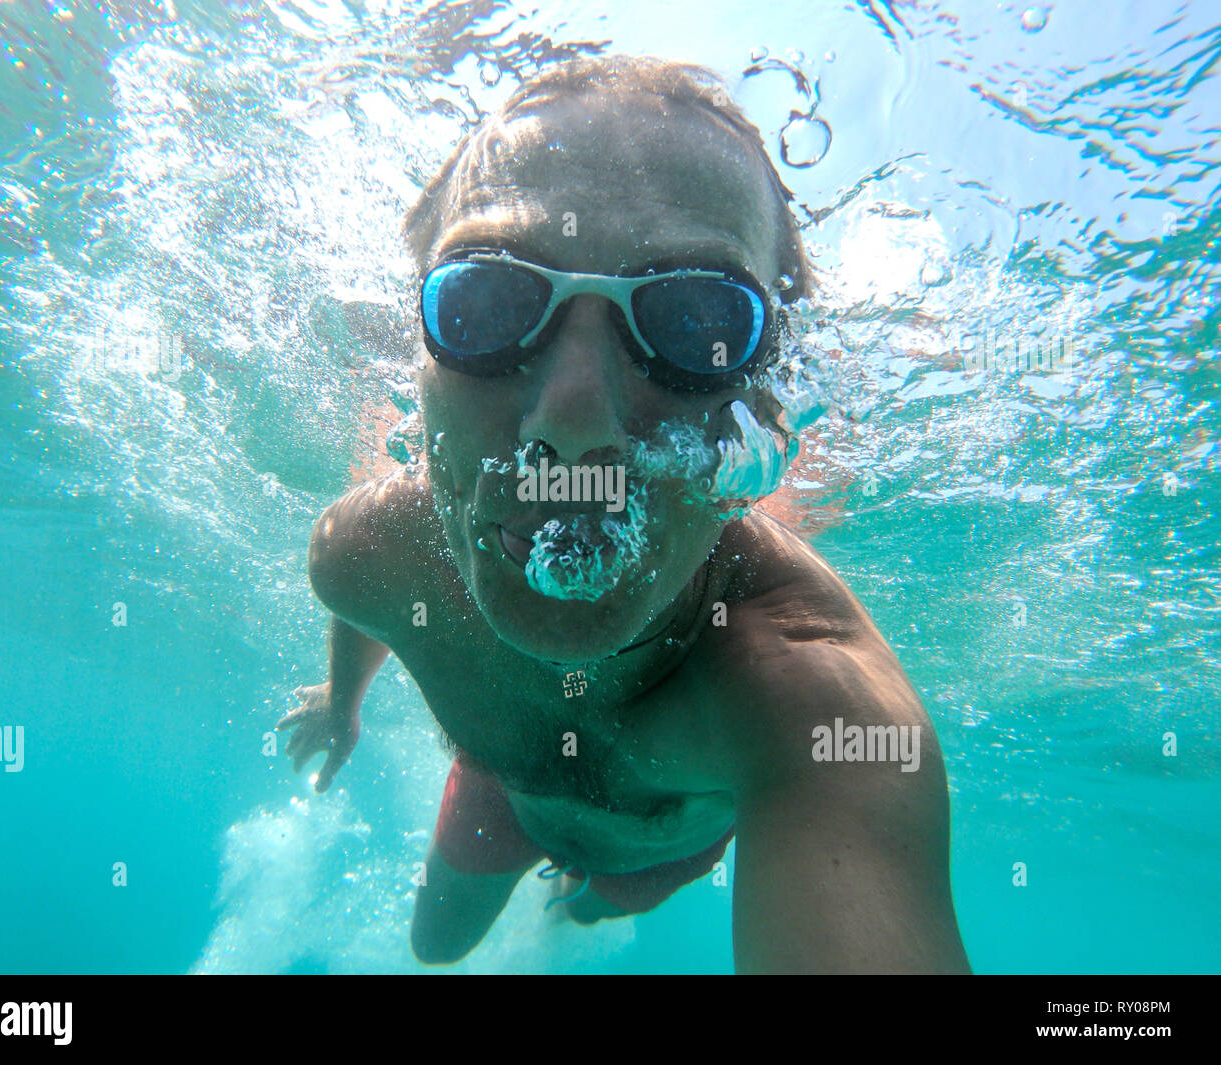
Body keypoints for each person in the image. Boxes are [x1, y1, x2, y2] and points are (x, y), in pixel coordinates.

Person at [278, 54, 971, 974]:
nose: (571, 422)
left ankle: (591, 904)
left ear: (770, 404)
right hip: (504, 793)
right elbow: (364, 604)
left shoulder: (814, 705)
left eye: (698, 324)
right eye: (484, 304)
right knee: (434, 945)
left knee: (599, 906)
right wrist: (342, 702)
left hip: (660, 852)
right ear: (416, 364)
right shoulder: (359, 552)